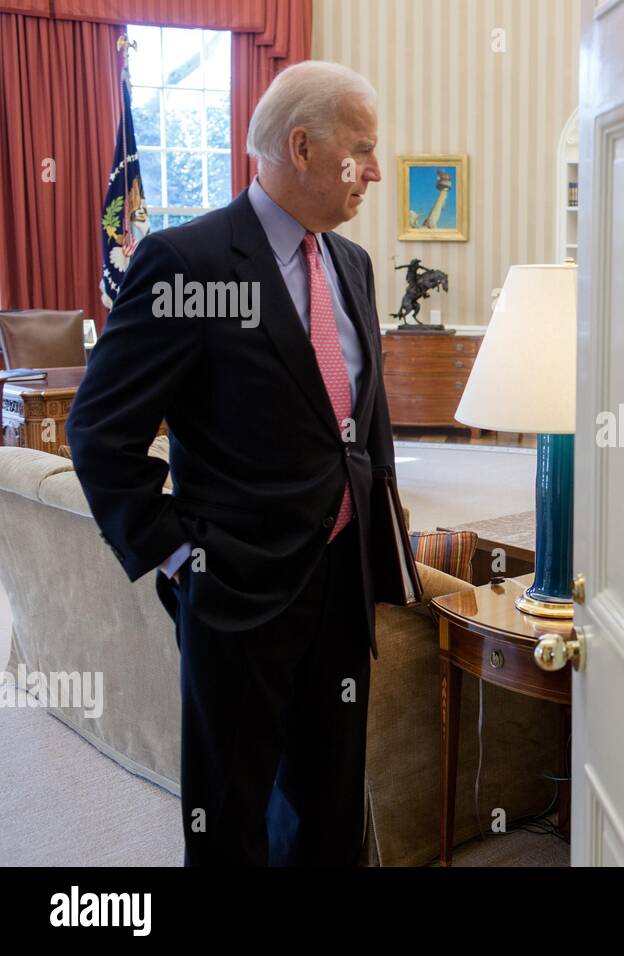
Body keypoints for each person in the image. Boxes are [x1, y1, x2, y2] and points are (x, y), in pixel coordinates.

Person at [66, 61, 388, 866]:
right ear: (303, 147)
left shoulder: (352, 265)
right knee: (232, 818)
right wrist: (177, 552)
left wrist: (386, 554)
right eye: (362, 151)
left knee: (330, 806)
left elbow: (360, 425)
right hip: (237, 593)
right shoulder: (189, 263)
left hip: (342, 586)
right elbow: (100, 432)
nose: (375, 172)